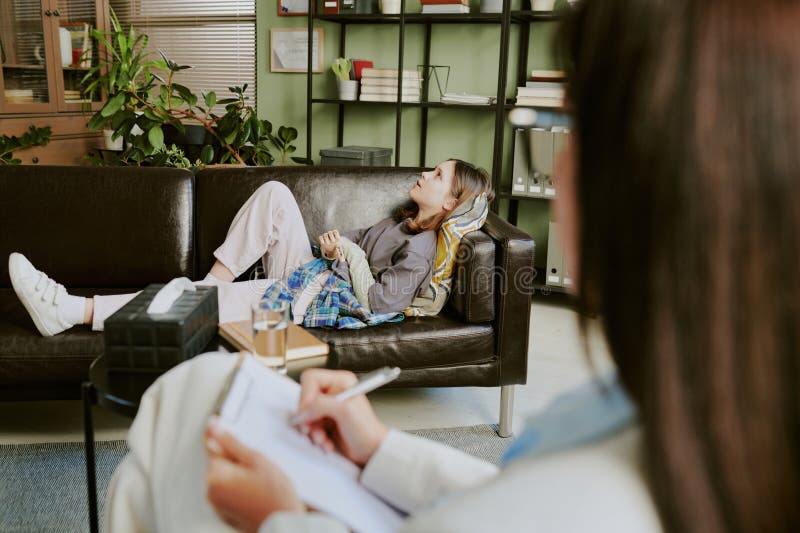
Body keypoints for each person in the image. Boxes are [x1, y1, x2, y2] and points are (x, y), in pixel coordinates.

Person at [107, 0, 800, 531]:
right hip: (310, 284)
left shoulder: (595, 501)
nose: (559, 160)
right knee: (199, 387)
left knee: (180, 414)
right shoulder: (648, 412)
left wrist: (283, 516)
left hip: (316, 301)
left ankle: (123, 307)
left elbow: (379, 300)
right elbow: (496, 497)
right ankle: (181, 296)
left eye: (579, 128)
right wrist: (379, 449)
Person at [8, 159, 492, 335]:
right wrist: (332, 248)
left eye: (438, 176)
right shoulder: (401, 224)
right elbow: (352, 252)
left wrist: (349, 255)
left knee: (197, 304)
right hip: (315, 275)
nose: (426, 174)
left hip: (314, 299)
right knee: (277, 195)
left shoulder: (424, 247)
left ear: (451, 201)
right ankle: (211, 283)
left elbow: (382, 301)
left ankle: (73, 310)